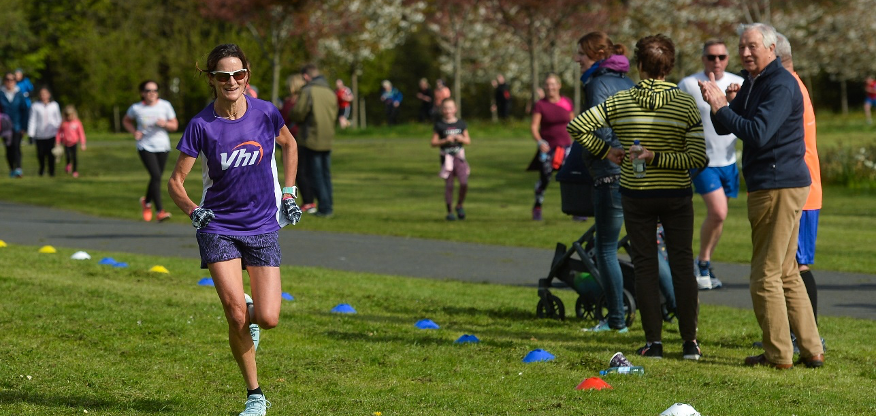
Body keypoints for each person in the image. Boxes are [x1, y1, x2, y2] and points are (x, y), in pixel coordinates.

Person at [167, 43, 302, 416]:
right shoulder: (201, 125)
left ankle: (252, 315)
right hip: (219, 226)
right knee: (234, 312)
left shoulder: (266, 114)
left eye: (238, 74)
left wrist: (289, 191)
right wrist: (194, 211)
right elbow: (175, 182)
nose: (232, 81)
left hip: (262, 225)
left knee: (269, 317)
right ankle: (255, 395)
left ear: (247, 76)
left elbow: (290, 145)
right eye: (223, 76)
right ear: (211, 79)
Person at [568, 34, 708, 360]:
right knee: (683, 267)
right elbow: (698, 158)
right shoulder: (685, 103)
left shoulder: (621, 101)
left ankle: (654, 344)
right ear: (669, 65)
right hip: (676, 194)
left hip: (637, 193)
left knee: (644, 267)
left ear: (640, 65)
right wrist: (660, 157)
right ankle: (690, 343)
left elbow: (578, 127)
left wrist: (608, 151)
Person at [698, 23, 823, 369]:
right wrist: (721, 105)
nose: (745, 53)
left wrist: (725, 106)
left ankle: (778, 354)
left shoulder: (780, 84)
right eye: (742, 47)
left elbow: (759, 133)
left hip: (777, 185)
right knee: (785, 271)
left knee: (764, 275)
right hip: (775, 183)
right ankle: (811, 350)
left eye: (752, 46)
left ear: (772, 49)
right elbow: (728, 125)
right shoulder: (756, 82)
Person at [573, 31, 636, 333]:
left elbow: (597, 132)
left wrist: (605, 153)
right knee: (644, 244)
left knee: (606, 248)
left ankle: (616, 322)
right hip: (636, 174)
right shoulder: (627, 81)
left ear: (597, 55)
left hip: (610, 174)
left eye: (581, 55)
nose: (577, 59)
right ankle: (678, 308)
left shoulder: (597, 83)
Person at [678, 40, 745, 290]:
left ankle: (704, 262)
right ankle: (702, 263)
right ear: (703, 58)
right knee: (718, 212)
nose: (716, 61)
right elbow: (676, 116)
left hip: (728, 161)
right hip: (702, 161)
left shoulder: (738, 82)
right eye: (710, 57)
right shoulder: (688, 84)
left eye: (721, 56)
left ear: (727, 58)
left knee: (719, 219)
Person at [122, 80, 179, 222]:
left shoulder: (165, 106)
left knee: (156, 177)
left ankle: (146, 202)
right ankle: (160, 211)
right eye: (148, 90)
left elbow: (175, 125)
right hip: (145, 146)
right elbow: (126, 121)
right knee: (156, 176)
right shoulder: (136, 108)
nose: (152, 93)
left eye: (155, 90)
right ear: (142, 93)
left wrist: (165, 124)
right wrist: (134, 132)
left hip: (163, 146)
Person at [291, 63, 337, 217]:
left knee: (315, 174)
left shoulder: (308, 91)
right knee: (325, 174)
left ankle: (324, 208)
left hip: (311, 137)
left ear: (305, 76)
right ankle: (328, 204)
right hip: (327, 137)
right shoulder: (330, 92)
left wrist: (290, 115)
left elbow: (299, 113)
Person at [527, 73, 573, 221]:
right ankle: (538, 206)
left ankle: (577, 210)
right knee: (545, 177)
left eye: (553, 84)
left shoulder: (567, 102)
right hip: (548, 148)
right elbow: (534, 127)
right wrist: (540, 142)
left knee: (572, 178)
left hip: (566, 147)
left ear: (559, 85)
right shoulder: (540, 105)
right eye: (547, 84)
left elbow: (574, 124)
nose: (550, 87)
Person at [431, 98, 471, 221]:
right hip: (446, 158)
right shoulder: (439, 125)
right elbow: (433, 143)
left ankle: (459, 205)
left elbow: (468, 140)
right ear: (442, 110)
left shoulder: (461, 124)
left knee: (464, 182)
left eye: (450, 108)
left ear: (455, 109)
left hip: (459, 157)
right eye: (445, 108)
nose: (448, 110)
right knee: (449, 185)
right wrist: (445, 140)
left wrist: (460, 138)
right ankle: (450, 211)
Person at [27, 86, 62, 177]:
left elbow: (58, 119)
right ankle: (42, 169)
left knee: (51, 154)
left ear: (49, 95)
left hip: (52, 133)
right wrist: (31, 134)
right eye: (41, 94)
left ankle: (51, 171)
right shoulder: (35, 106)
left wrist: (60, 132)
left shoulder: (54, 105)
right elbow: (32, 120)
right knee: (41, 154)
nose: (43, 96)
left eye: (45, 94)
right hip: (40, 134)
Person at [0, 72, 29, 178]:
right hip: (4, 127)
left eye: (12, 80)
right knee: (9, 148)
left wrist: (24, 127)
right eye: (7, 79)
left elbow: (24, 111)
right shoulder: (1, 94)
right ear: (4, 81)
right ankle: (12, 168)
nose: (10, 82)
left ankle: (18, 168)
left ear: (15, 82)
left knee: (16, 146)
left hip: (17, 125)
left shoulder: (19, 94)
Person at [55, 104, 86, 177]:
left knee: (74, 157)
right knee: (68, 156)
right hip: (66, 143)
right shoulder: (63, 123)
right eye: (67, 115)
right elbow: (59, 133)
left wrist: (83, 143)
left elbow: (81, 133)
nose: (69, 117)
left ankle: (75, 171)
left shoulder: (77, 123)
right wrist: (57, 141)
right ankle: (68, 165)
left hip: (74, 142)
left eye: (70, 115)